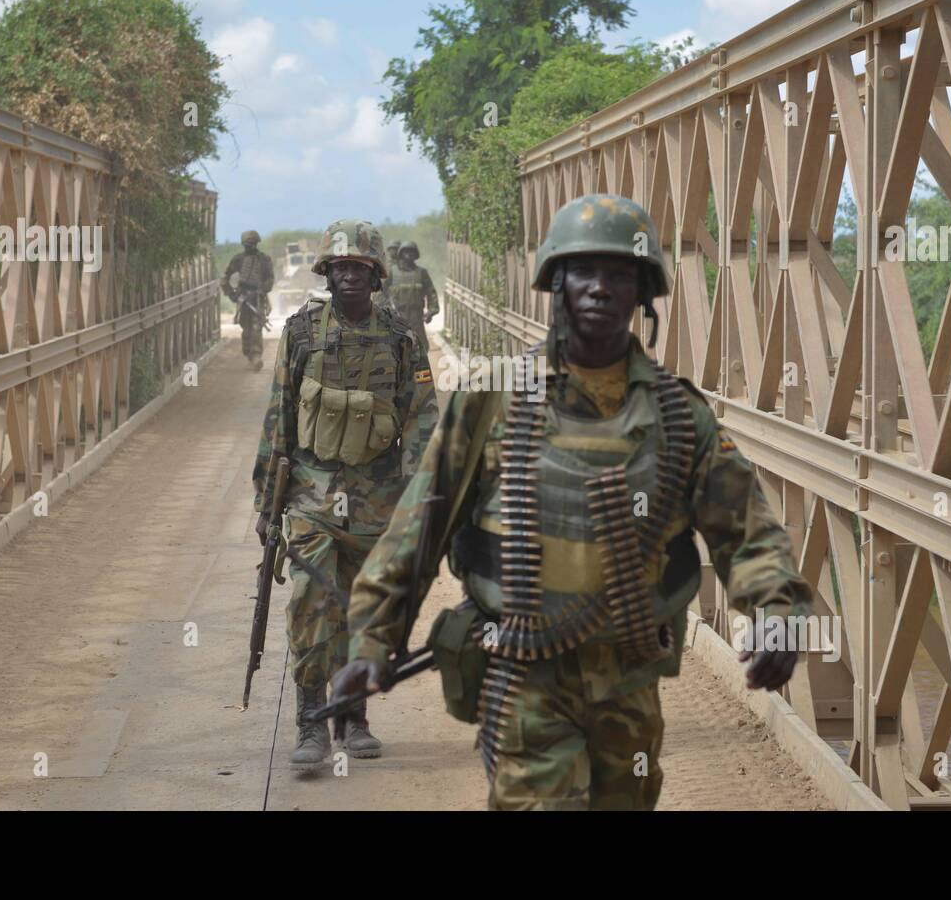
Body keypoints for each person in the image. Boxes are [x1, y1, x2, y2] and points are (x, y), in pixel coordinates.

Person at [331, 193, 812, 809]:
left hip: (631, 680)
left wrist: (775, 612)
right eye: (584, 271)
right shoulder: (494, 400)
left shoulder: (677, 414)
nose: (600, 289)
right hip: (525, 677)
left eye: (620, 275)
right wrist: (373, 641)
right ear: (556, 282)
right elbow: (417, 530)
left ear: (644, 292)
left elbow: (748, 532)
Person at [252, 219, 439, 771]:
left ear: (376, 275)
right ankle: (312, 721)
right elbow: (278, 417)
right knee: (311, 603)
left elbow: (424, 424)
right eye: (339, 267)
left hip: (377, 502)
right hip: (310, 496)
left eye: (359, 267)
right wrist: (268, 504)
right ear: (327, 274)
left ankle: (353, 717)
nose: (349, 275)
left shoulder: (401, 339)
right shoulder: (302, 333)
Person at [225, 230, 275, 370]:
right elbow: (225, 277)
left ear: (256, 243)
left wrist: (262, 289)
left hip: (258, 298)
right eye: (248, 244)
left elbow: (270, 279)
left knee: (256, 327)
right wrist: (231, 293)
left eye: (252, 244)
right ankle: (249, 353)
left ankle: (256, 356)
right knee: (246, 328)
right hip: (243, 299)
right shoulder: (238, 259)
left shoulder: (265, 260)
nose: (250, 246)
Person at [387, 240, 439, 337]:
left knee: (421, 345)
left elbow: (431, 292)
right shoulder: (393, 272)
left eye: (411, 251)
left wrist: (431, 311)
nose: (408, 254)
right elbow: (381, 291)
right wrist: (387, 310)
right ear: (401, 254)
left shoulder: (422, 272)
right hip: (398, 314)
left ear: (416, 254)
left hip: (417, 316)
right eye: (406, 251)